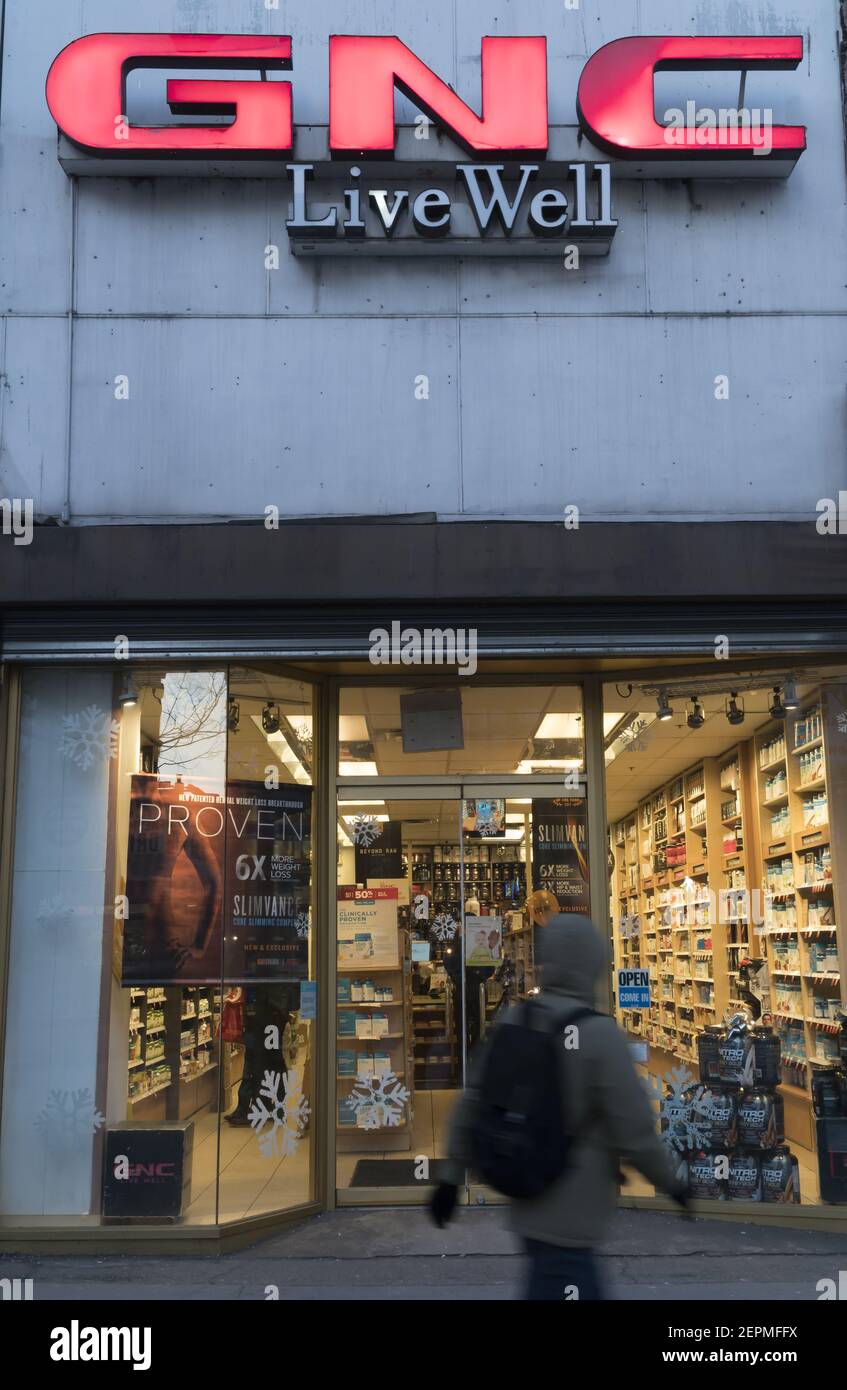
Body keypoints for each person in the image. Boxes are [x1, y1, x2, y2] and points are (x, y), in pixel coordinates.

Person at [430, 913, 688, 1300]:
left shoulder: (517, 1017)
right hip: (573, 1207)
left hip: (527, 1192)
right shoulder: (599, 1035)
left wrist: (451, 1176)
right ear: (592, 965)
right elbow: (633, 1127)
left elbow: (476, 1100)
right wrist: (671, 1183)